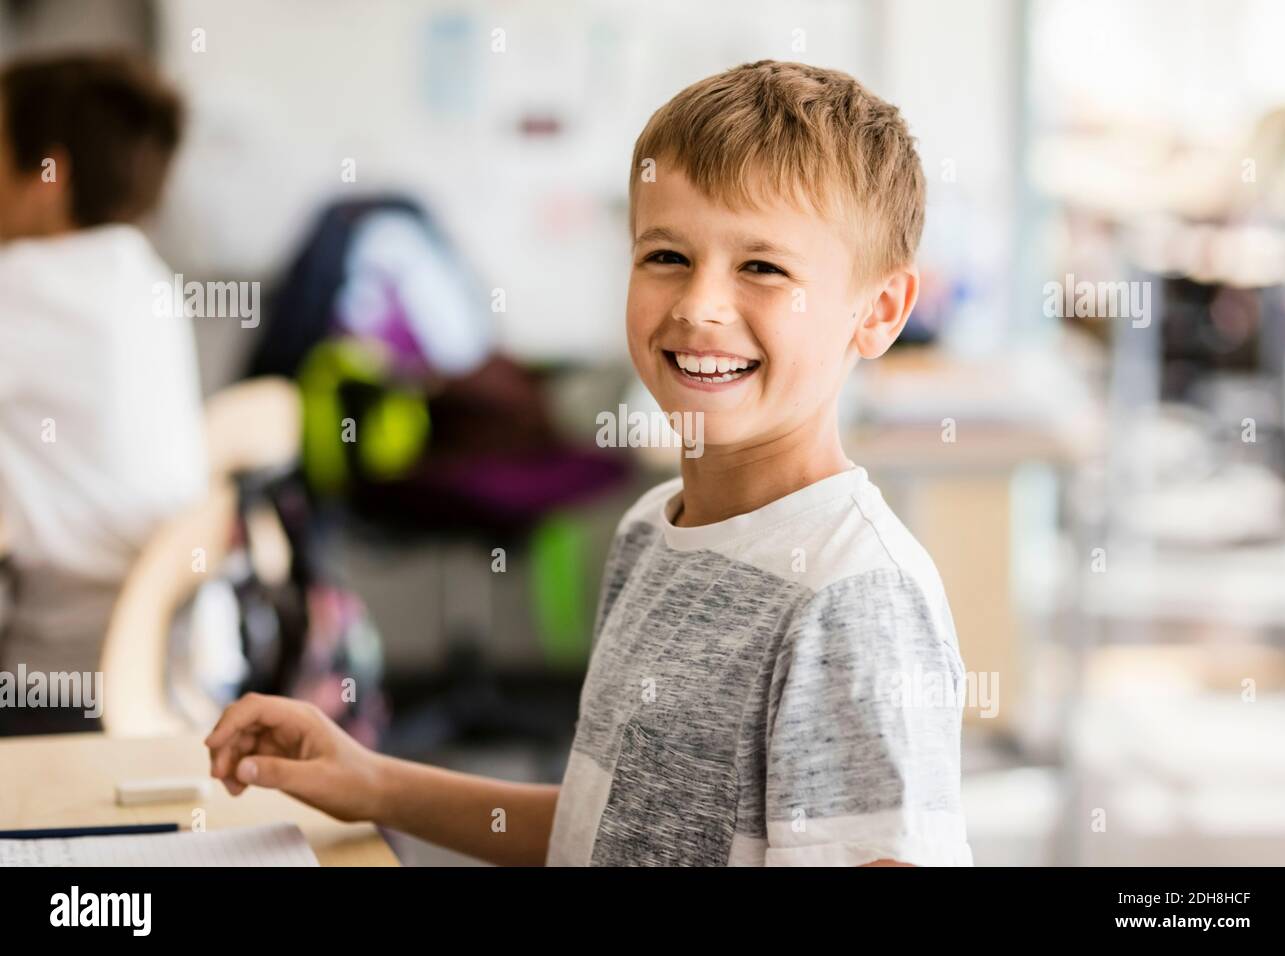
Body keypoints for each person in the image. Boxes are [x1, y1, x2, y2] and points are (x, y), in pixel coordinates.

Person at [207, 60, 973, 867]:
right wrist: (371, 782)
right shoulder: (650, 531)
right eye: (666, 256)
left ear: (880, 311)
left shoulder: (856, 597)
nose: (698, 304)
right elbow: (611, 829)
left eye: (762, 267)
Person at [0, 51, 207, 733]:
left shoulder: (24, 284)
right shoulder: (142, 276)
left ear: (47, 178)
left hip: (64, 685)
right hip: (172, 667)